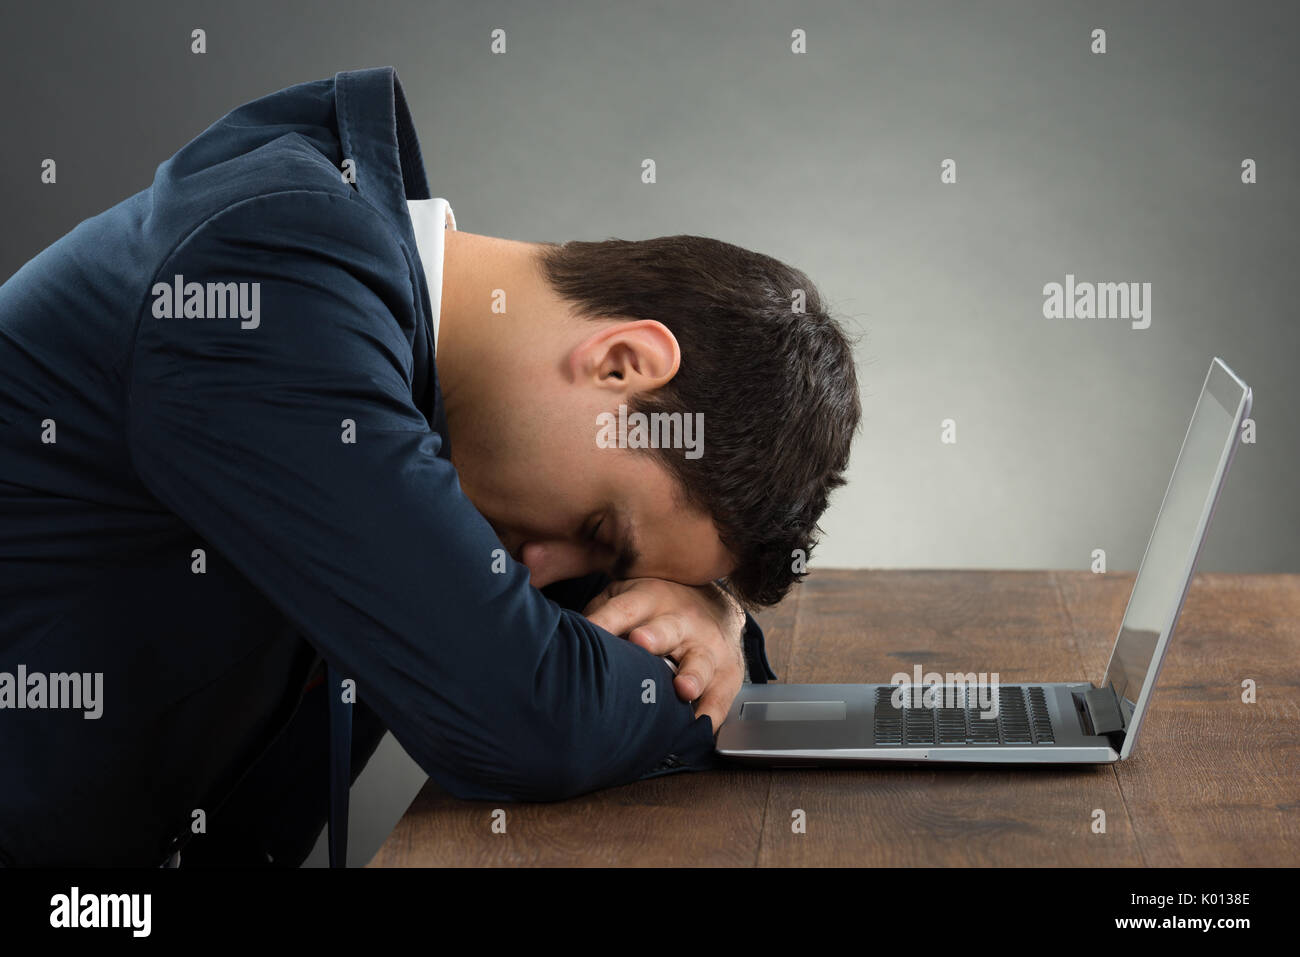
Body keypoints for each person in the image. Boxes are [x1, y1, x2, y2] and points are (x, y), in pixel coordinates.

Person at [0, 67, 859, 866]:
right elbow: (523, 711)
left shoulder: (395, 347)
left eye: (602, 564)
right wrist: (698, 668)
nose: (543, 573)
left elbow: (583, 655)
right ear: (623, 363)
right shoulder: (272, 281)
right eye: (600, 531)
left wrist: (715, 626)